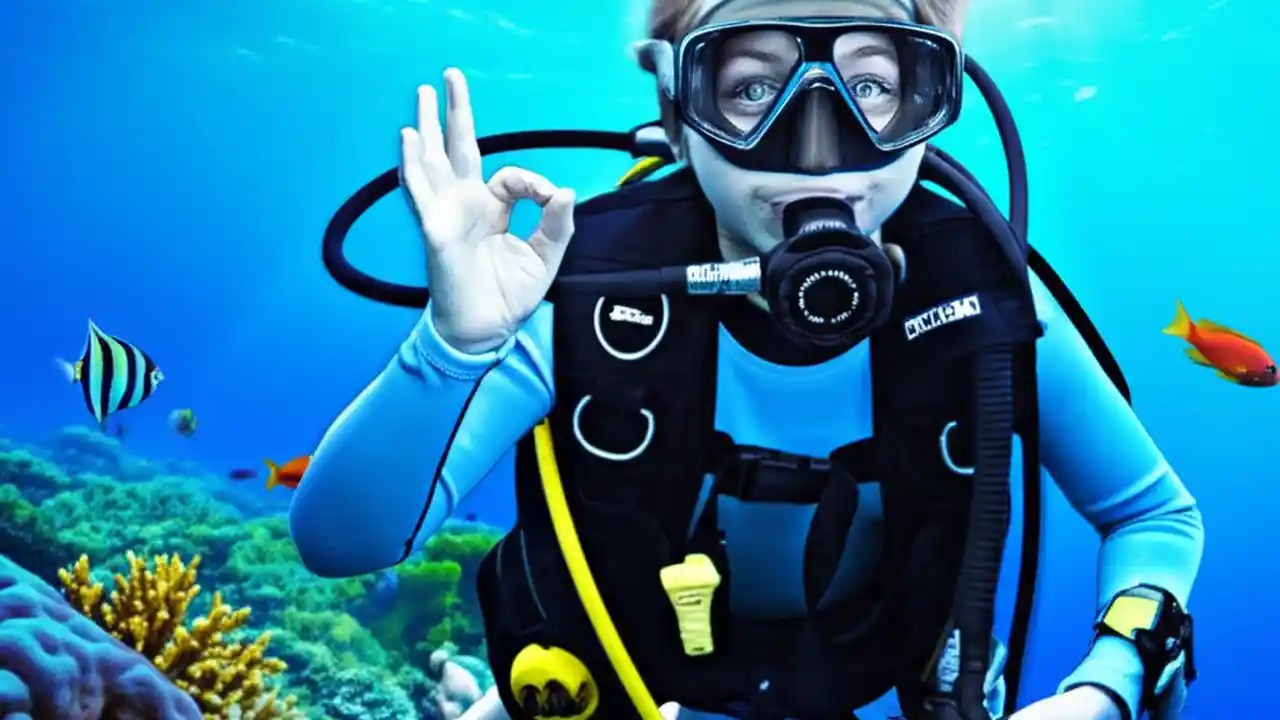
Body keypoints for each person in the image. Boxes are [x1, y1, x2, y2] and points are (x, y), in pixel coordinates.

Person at [291, 0, 1205, 718]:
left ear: (935, 103)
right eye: (753, 88)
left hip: (871, 670)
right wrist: (449, 349)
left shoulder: (985, 298)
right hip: (609, 681)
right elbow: (342, 543)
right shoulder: (580, 289)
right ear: (676, 111)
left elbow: (1156, 515)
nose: (819, 146)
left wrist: (1106, 689)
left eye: (875, 85)